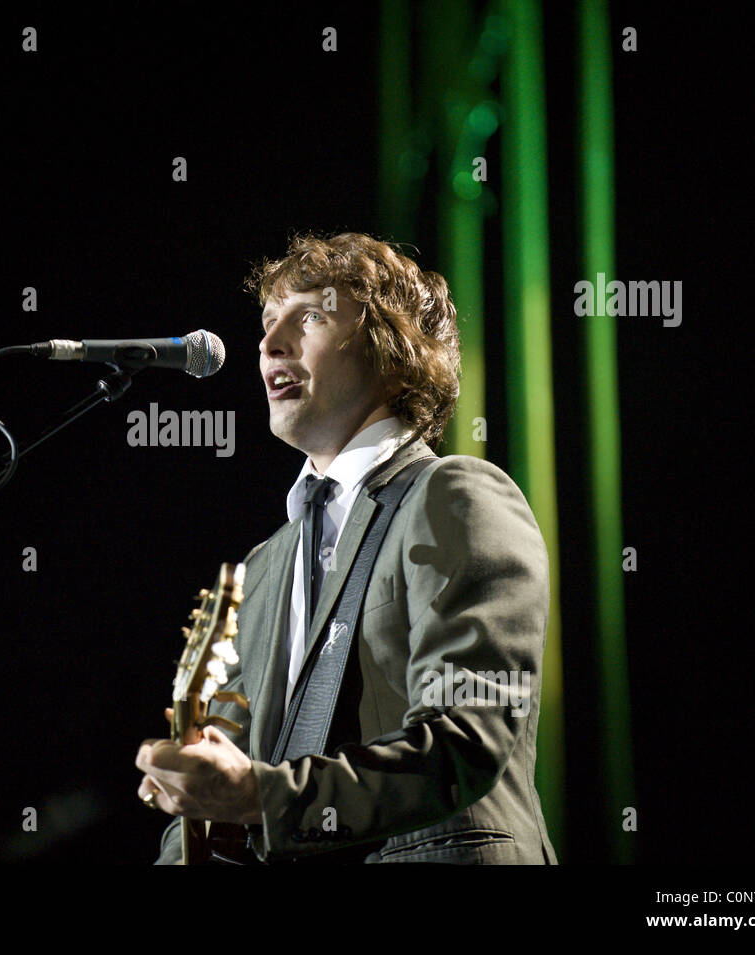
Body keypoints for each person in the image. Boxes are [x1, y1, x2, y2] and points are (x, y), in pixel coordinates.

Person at [135, 232, 557, 864]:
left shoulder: (453, 494)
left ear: (391, 346)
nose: (269, 344)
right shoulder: (264, 566)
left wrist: (261, 796)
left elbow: (465, 741)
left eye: (308, 316)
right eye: (267, 323)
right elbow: (228, 772)